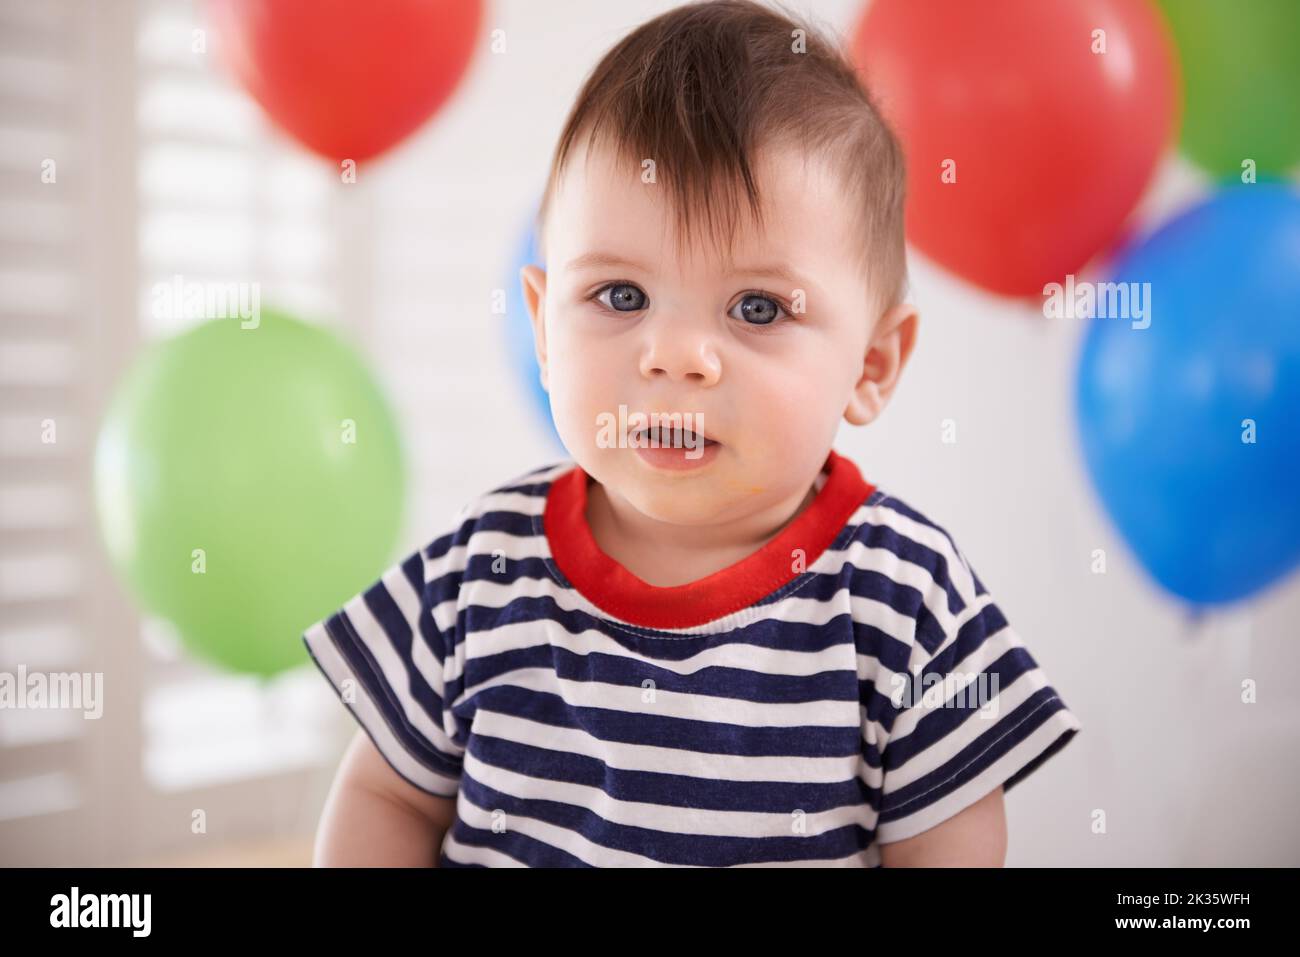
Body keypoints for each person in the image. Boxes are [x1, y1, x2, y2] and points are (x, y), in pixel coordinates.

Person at [303, 0, 1080, 867]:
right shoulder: (482, 565)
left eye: (757, 308)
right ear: (546, 331)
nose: (674, 356)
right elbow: (384, 795)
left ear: (872, 365)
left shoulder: (904, 597)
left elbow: (950, 849)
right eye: (622, 296)